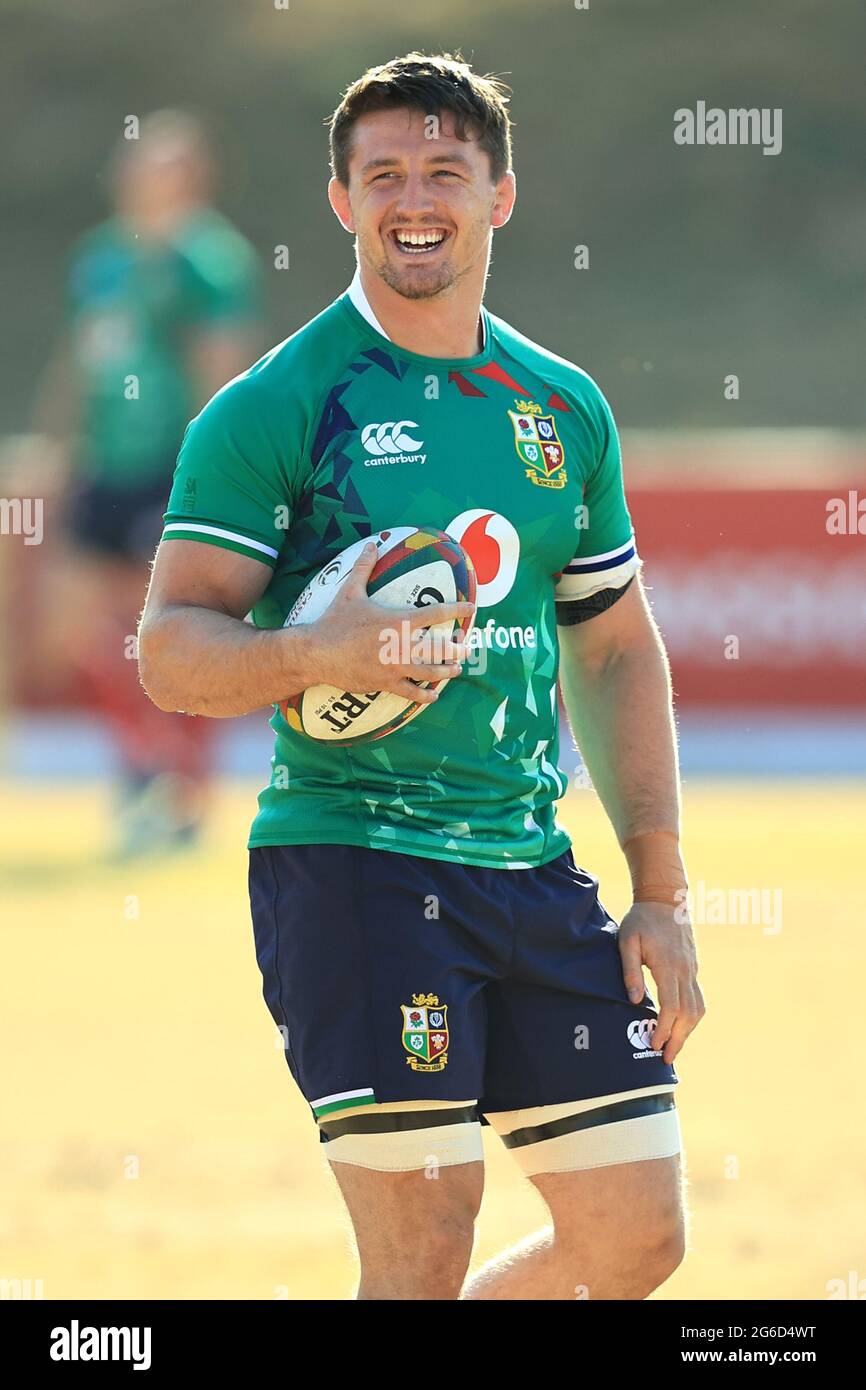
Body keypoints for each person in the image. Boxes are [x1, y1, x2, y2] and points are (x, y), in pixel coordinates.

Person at [139, 53, 705, 1300]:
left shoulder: (560, 409)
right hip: (354, 866)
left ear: (499, 194)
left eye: (444, 170)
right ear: (339, 201)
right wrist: (306, 654)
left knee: (636, 1232)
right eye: (382, 172)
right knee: (421, 1244)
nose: (414, 197)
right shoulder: (276, 407)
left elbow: (610, 645)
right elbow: (170, 650)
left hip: (528, 863)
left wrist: (659, 892)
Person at [37, 109, 260, 854]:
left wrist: (215, 476)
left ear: (189, 179)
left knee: (166, 628)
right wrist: (58, 452)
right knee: (67, 625)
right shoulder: (98, 260)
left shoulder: (208, 261)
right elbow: (79, 364)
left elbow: (222, 367)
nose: (136, 177)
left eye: (156, 166)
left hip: (171, 466)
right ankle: (142, 759)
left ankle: (186, 788)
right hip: (105, 465)